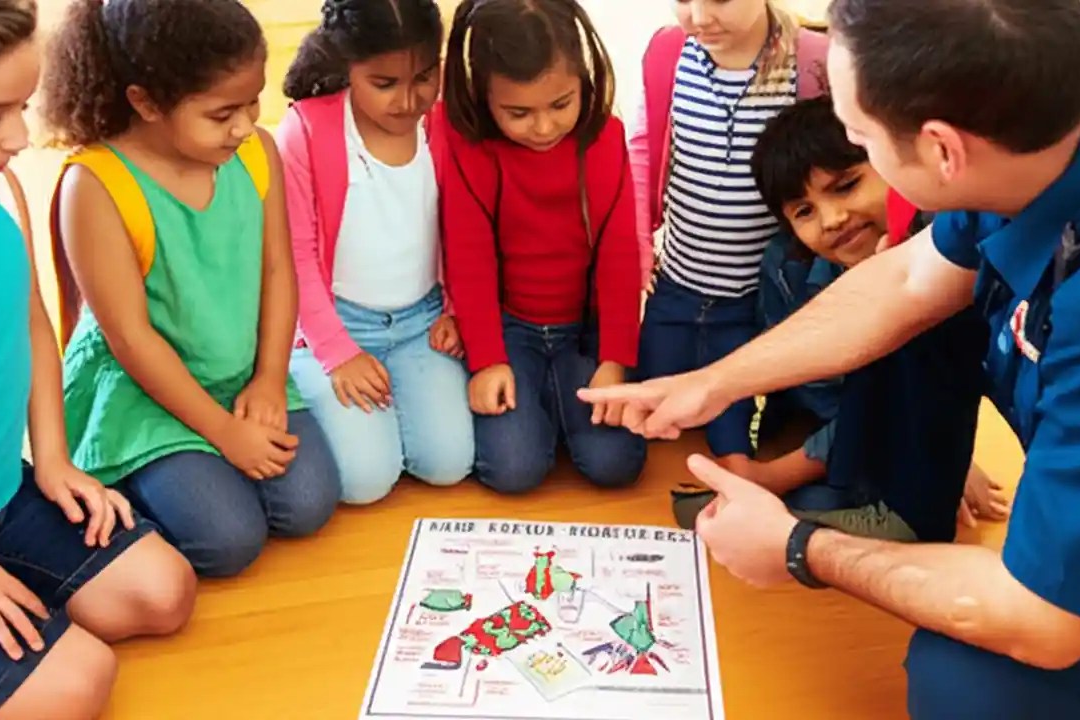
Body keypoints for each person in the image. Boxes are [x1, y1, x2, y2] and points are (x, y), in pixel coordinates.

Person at [582, 1, 1080, 716]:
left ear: (942, 150)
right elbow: (912, 280)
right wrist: (713, 383)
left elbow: (1047, 622)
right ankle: (904, 506)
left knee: (967, 678)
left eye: (859, 137)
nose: (852, 140)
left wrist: (798, 549)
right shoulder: (1054, 78)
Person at [0, 2, 195, 717]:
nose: (19, 137)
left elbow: (31, 330)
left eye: (20, 109)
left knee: (162, 593)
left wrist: (53, 460)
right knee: (77, 685)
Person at [43, 0, 341, 579]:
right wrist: (225, 433)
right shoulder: (97, 185)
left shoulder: (256, 152)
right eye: (221, 112)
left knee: (307, 505)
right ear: (146, 102)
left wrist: (269, 379)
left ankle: (199, 469)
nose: (244, 124)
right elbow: (130, 340)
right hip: (146, 394)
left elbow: (280, 271)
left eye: (252, 101)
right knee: (229, 541)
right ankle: (123, 481)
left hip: (239, 372)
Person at [673, 96, 1004, 543]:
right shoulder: (786, 269)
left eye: (846, 186)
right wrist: (749, 459)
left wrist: (774, 476)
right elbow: (805, 382)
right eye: (803, 211)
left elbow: (928, 394)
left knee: (845, 499)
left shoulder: (951, 264)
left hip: (877, 431)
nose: (832, 220)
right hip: (827, 418)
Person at [439, 0, 646, 494]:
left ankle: (552, 407)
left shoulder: (605, 139)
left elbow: (620, 257)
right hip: (512, 327)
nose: (544, 128)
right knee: (514, 471)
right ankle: (544, 410)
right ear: (483, 96)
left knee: (616, 465)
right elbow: (469, 260)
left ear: (584, 80)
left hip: (584, 331)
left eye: (561, 104)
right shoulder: (470, 148)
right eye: (518, 113)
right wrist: (488, 359)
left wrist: (614, 358)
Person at [277, 0, 474, 505]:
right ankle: (297, 380)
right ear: (347, 68)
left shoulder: (445, 123)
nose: (409, 101)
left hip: (422, 321)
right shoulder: (306, 130)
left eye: (424, 78)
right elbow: (296, 254)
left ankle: (389, 420)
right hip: (340, 325)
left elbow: (464, 227)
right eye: (384, 84)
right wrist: (338, 353)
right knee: (366, 481)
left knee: (449, 463)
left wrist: (455, 309)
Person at [629, 0, 828, 475]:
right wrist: (638, 245)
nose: (698, 16)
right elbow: (642, 147)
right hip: (674, 288)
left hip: (751, 302)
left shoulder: (812, 63)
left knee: (730, 432)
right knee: (653, 407)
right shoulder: (667, 53)